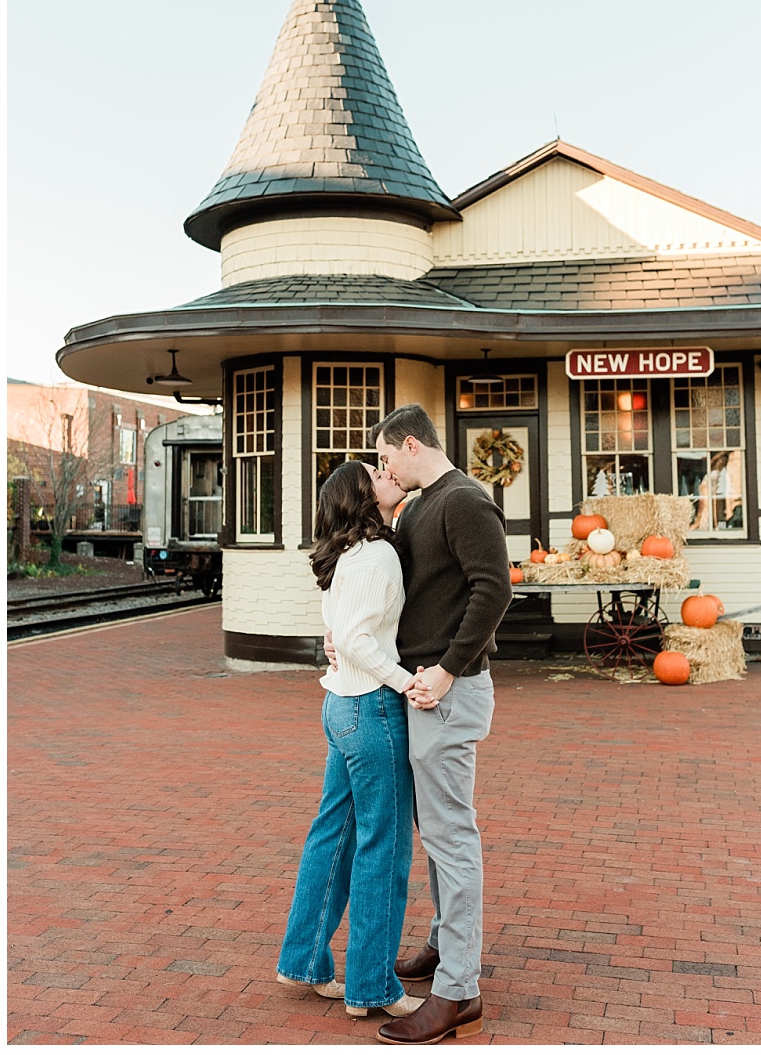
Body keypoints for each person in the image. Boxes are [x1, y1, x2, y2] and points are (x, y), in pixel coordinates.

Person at [368, 404, 511, 1046]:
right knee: (438, 832)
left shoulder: (464, 501)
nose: (384, 469)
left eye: (386, 457)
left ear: (410, 444)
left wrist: (450, 669)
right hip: (425, 688)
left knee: (452, 837)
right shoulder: (421, 506)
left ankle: (458, 990)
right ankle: (441, 944)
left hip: (448, 692)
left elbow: (494, 590)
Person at [277, 461, 424, 1022]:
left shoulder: (345, 555)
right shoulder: (378, 554)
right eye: (376, 473)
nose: (387, 474)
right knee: (383, 848)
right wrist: (405, 682)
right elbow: (357, 639)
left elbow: (338, 629)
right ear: (364, 497)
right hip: (372, 709)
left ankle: (304, 960)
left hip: (340, 707)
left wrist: (339, 642)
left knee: (332, 838)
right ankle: (372, 988)